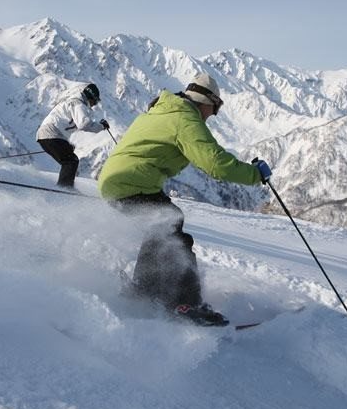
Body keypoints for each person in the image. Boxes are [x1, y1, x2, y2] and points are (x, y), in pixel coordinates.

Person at [98, 73, 272, 326]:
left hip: (116, 181)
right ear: (206, 102)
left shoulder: (163, 111)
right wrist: (255, 174)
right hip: (132, 182)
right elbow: (216, 163)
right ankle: (186, 303)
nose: (212, 115)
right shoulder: (186, 119)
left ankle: (143, 289)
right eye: (215, 109)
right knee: (173, 236)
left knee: (160, 230)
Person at [36, 83, 110, 188]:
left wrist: (66, 144)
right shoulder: (78, 103)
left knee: (70, 159)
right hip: (51, 133)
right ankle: (64, 188)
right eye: (95, 101)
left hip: (47, 134)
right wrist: (101, 126)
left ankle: (64, 187)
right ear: (91, 97)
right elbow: (84, 124)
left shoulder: (73, 101)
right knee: (71, 161)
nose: (95, 104)